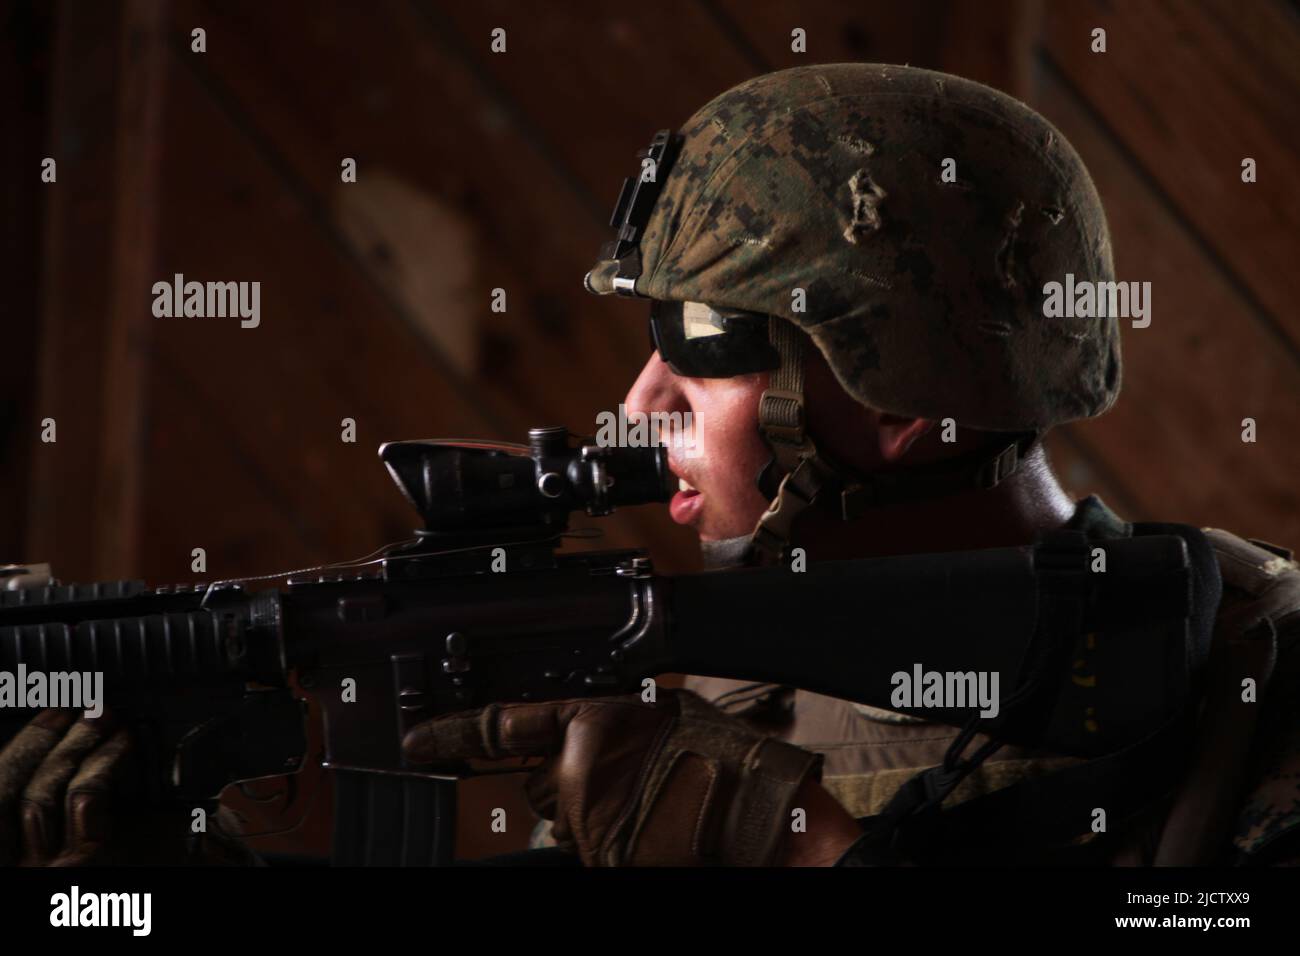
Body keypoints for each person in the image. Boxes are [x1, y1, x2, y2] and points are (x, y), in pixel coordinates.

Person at [4, 63, 1296, 867]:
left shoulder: (1258, 675)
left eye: (702, 347)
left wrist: (805, 853)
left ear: (897, 401)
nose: (635, 402)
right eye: (644, 339)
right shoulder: (713, 693)